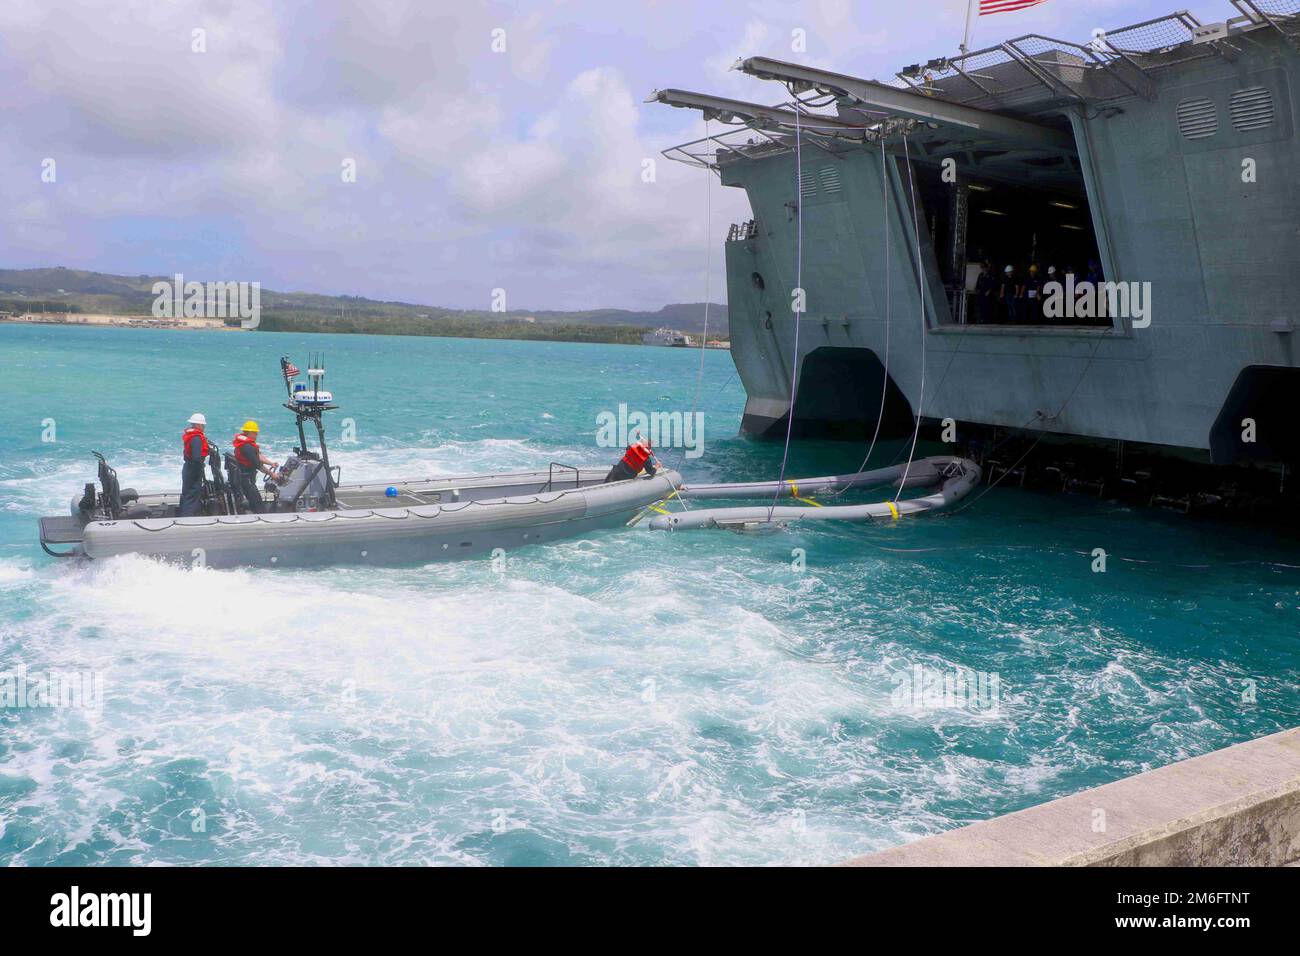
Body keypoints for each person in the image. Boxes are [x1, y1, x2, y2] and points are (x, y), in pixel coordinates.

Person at [232, 420, 278, 513]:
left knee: (256, 500)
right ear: (249, 433)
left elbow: (258, 456)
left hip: (245, 478)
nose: (256, 435)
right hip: (246, 479)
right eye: (255, 433)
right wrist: (272, 474)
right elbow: (259, 465)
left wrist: (271, 463)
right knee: (257, 504)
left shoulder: (247, 445)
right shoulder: (247, 447)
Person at [179, 412, 208, 517]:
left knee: (187, 494)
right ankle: (187, 517)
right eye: (203, 425)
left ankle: (183, 515)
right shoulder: (196, 438)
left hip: (188, 468)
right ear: (198, 425)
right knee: (192, 494)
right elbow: (196, 457)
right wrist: (201, 465)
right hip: (193, 470)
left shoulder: (190, 436)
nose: (204, 427)